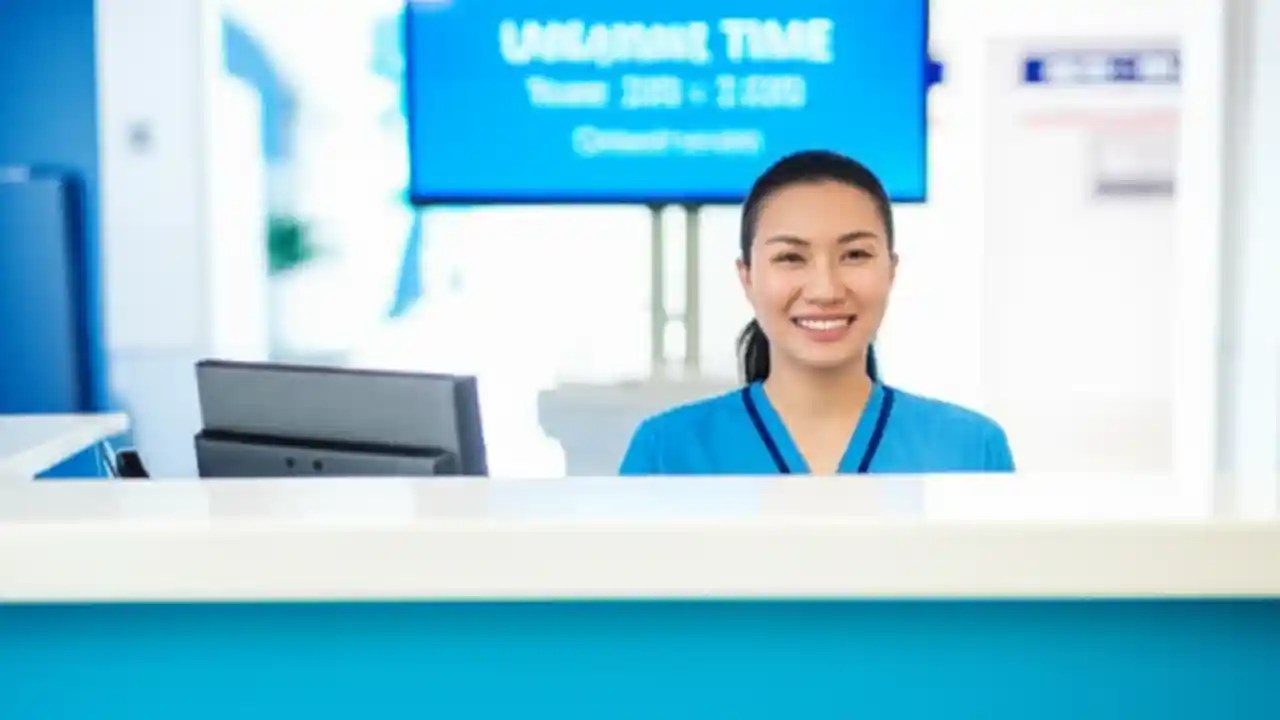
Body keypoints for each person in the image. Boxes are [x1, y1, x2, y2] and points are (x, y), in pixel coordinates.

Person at [619, 150, 1014, 475]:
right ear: (747, 277)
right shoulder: (666, 452)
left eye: (855, 255)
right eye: (791, 257)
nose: (825, 290)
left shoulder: (970, 450)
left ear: (891, 270)